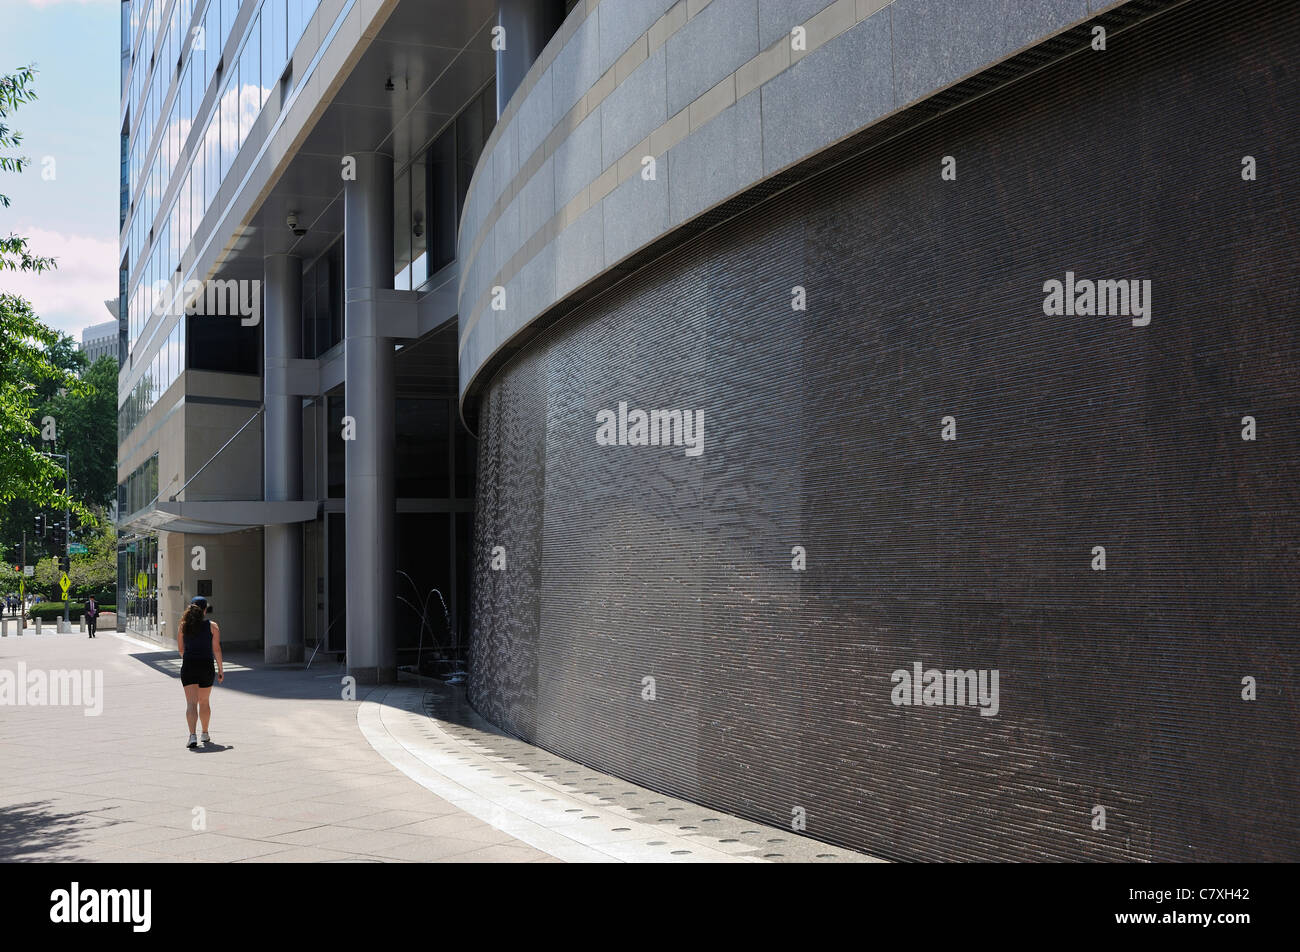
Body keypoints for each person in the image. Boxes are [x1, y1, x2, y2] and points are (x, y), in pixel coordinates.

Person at [177, 596, 224, 748]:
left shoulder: (183, 626)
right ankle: (205, 732)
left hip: (189, 665)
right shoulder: (213, 626)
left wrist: (190, 659)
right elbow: (216, 649)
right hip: (206, 666)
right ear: (205, 610)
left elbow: (181, 650)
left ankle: (192, 736)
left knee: (191, 703)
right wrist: (220, 670)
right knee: (204, 701)